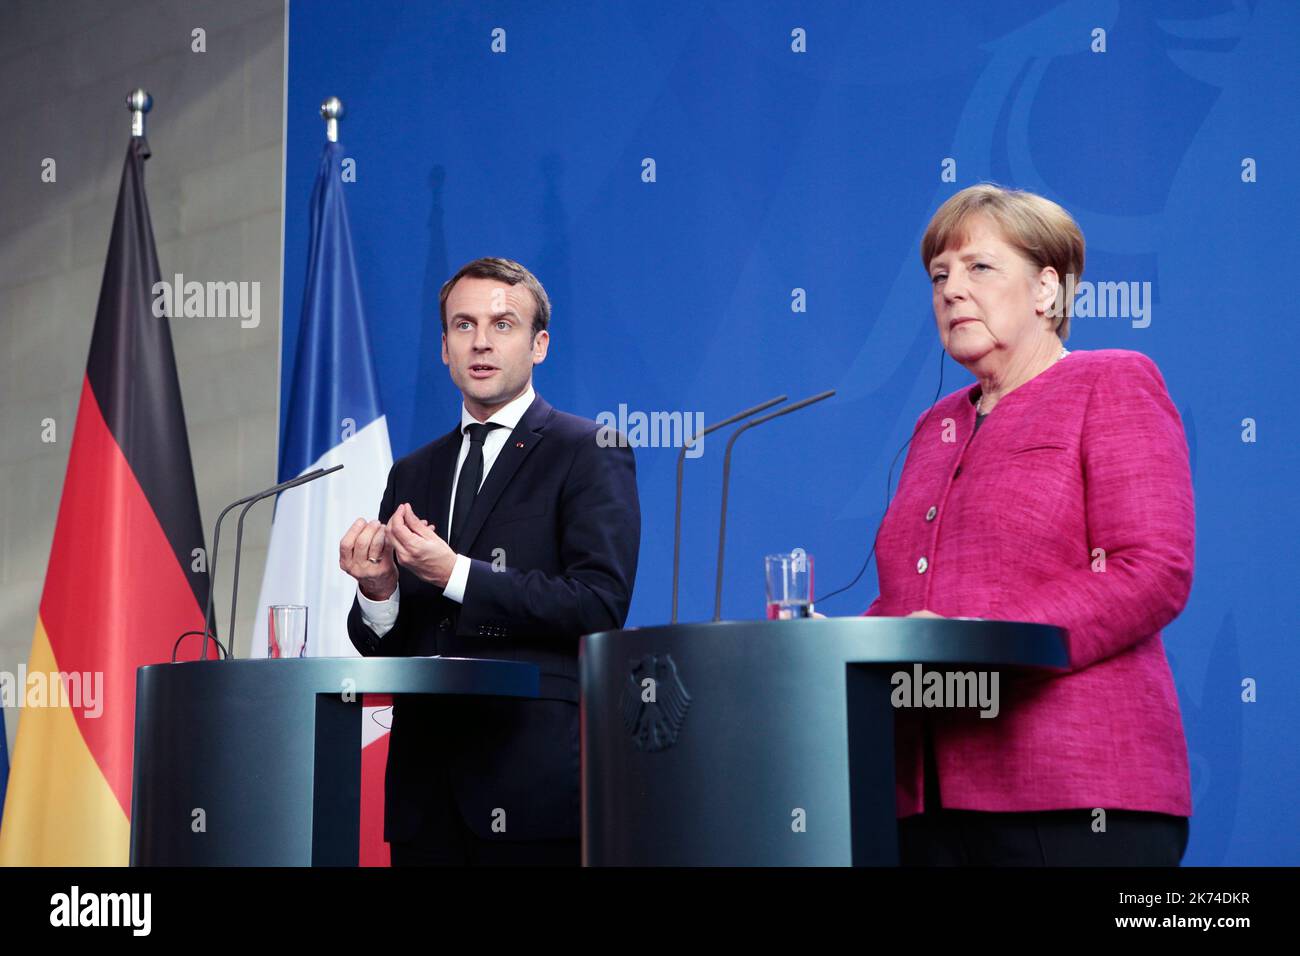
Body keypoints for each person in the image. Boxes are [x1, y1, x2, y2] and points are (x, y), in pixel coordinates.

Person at [864, 184, 1194, 866]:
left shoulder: (1113, 381)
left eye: (979, 267)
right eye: (939, 275)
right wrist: (830, 649)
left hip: (1075, 794)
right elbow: (913, 604)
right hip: (923, 804)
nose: (953, 290)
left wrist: (989, 641)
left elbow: (1150, 569)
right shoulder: (935, 427)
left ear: (1048, 288)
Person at [338, 257, 640, 866]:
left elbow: (598, 605)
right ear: (444, 348)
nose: (481, 341)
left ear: (539, 345)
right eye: (463, 325)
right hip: (426, 796)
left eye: (503, 325)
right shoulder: (412, 471)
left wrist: (455, 573)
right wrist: (378, 591)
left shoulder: (588, 451)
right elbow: (390, 647)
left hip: (533, 787)